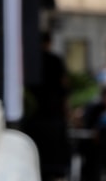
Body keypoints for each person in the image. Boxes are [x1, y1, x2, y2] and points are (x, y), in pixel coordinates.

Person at [25, 31, 72, 181]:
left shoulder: (32, 61)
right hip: (53, 114)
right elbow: (64, 87)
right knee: (54, 161)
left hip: (37, 115)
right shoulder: (55, 60)